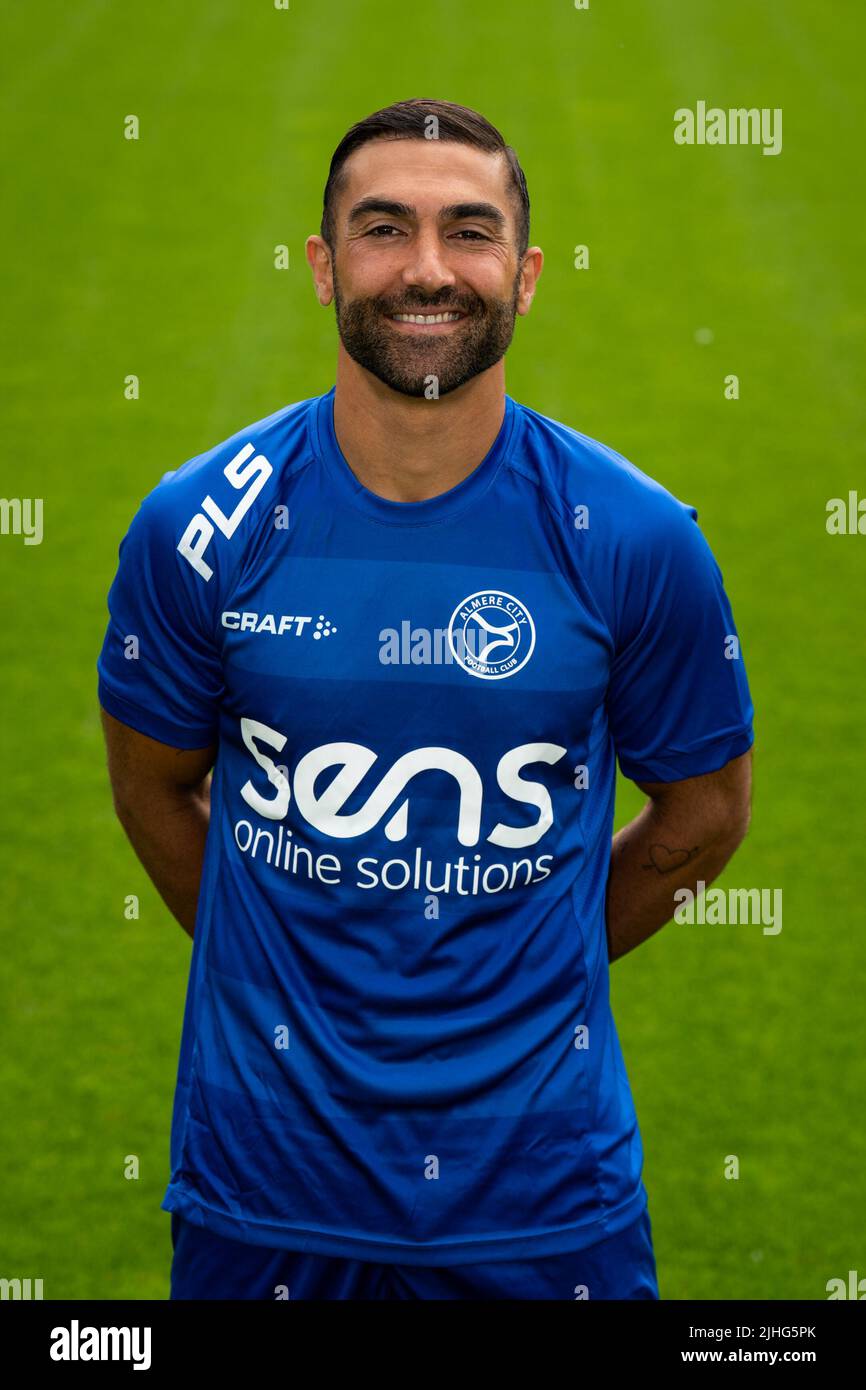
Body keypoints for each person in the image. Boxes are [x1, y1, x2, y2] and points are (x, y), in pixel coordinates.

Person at [97, 98, 753, 1300]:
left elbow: (703, 818)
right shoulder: (197, 526)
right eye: (383, 228)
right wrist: (297, 959)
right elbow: (151, 788)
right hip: (264, 1190)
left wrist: (528, 958)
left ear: (525, 271)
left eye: (469, 230)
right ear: (320, 263)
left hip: (543, 1202)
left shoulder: (635, 539)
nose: (427, 269)